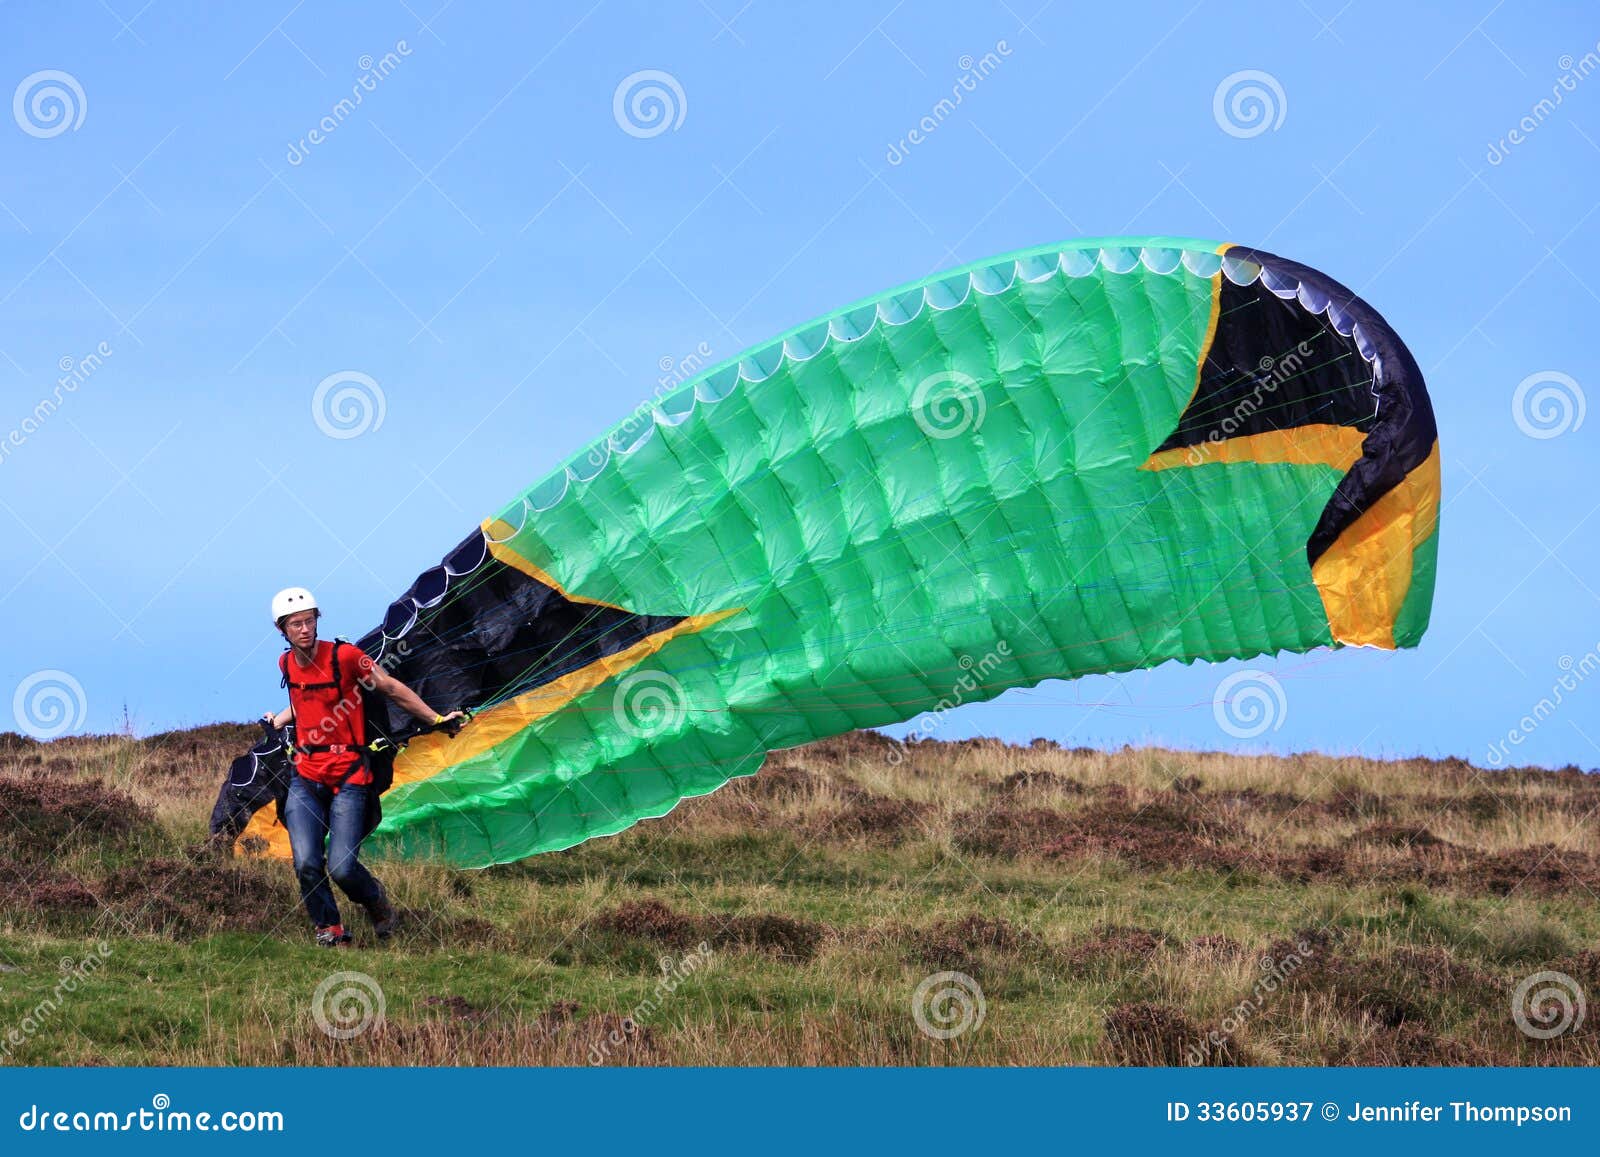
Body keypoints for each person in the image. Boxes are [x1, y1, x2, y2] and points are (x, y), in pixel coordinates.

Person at [264, 586, 466, 947]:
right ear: (283, 630)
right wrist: (278, 720)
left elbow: (390, 688)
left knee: (341, 867)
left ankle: (376, 901)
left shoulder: (346, 657)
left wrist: (436, 719)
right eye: (296, 624)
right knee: (307, 862)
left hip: (349, 777)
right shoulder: (286, 664)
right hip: (306, 776)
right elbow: (304, 700)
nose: (305, 629)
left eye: (310, 621)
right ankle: (330, 929)